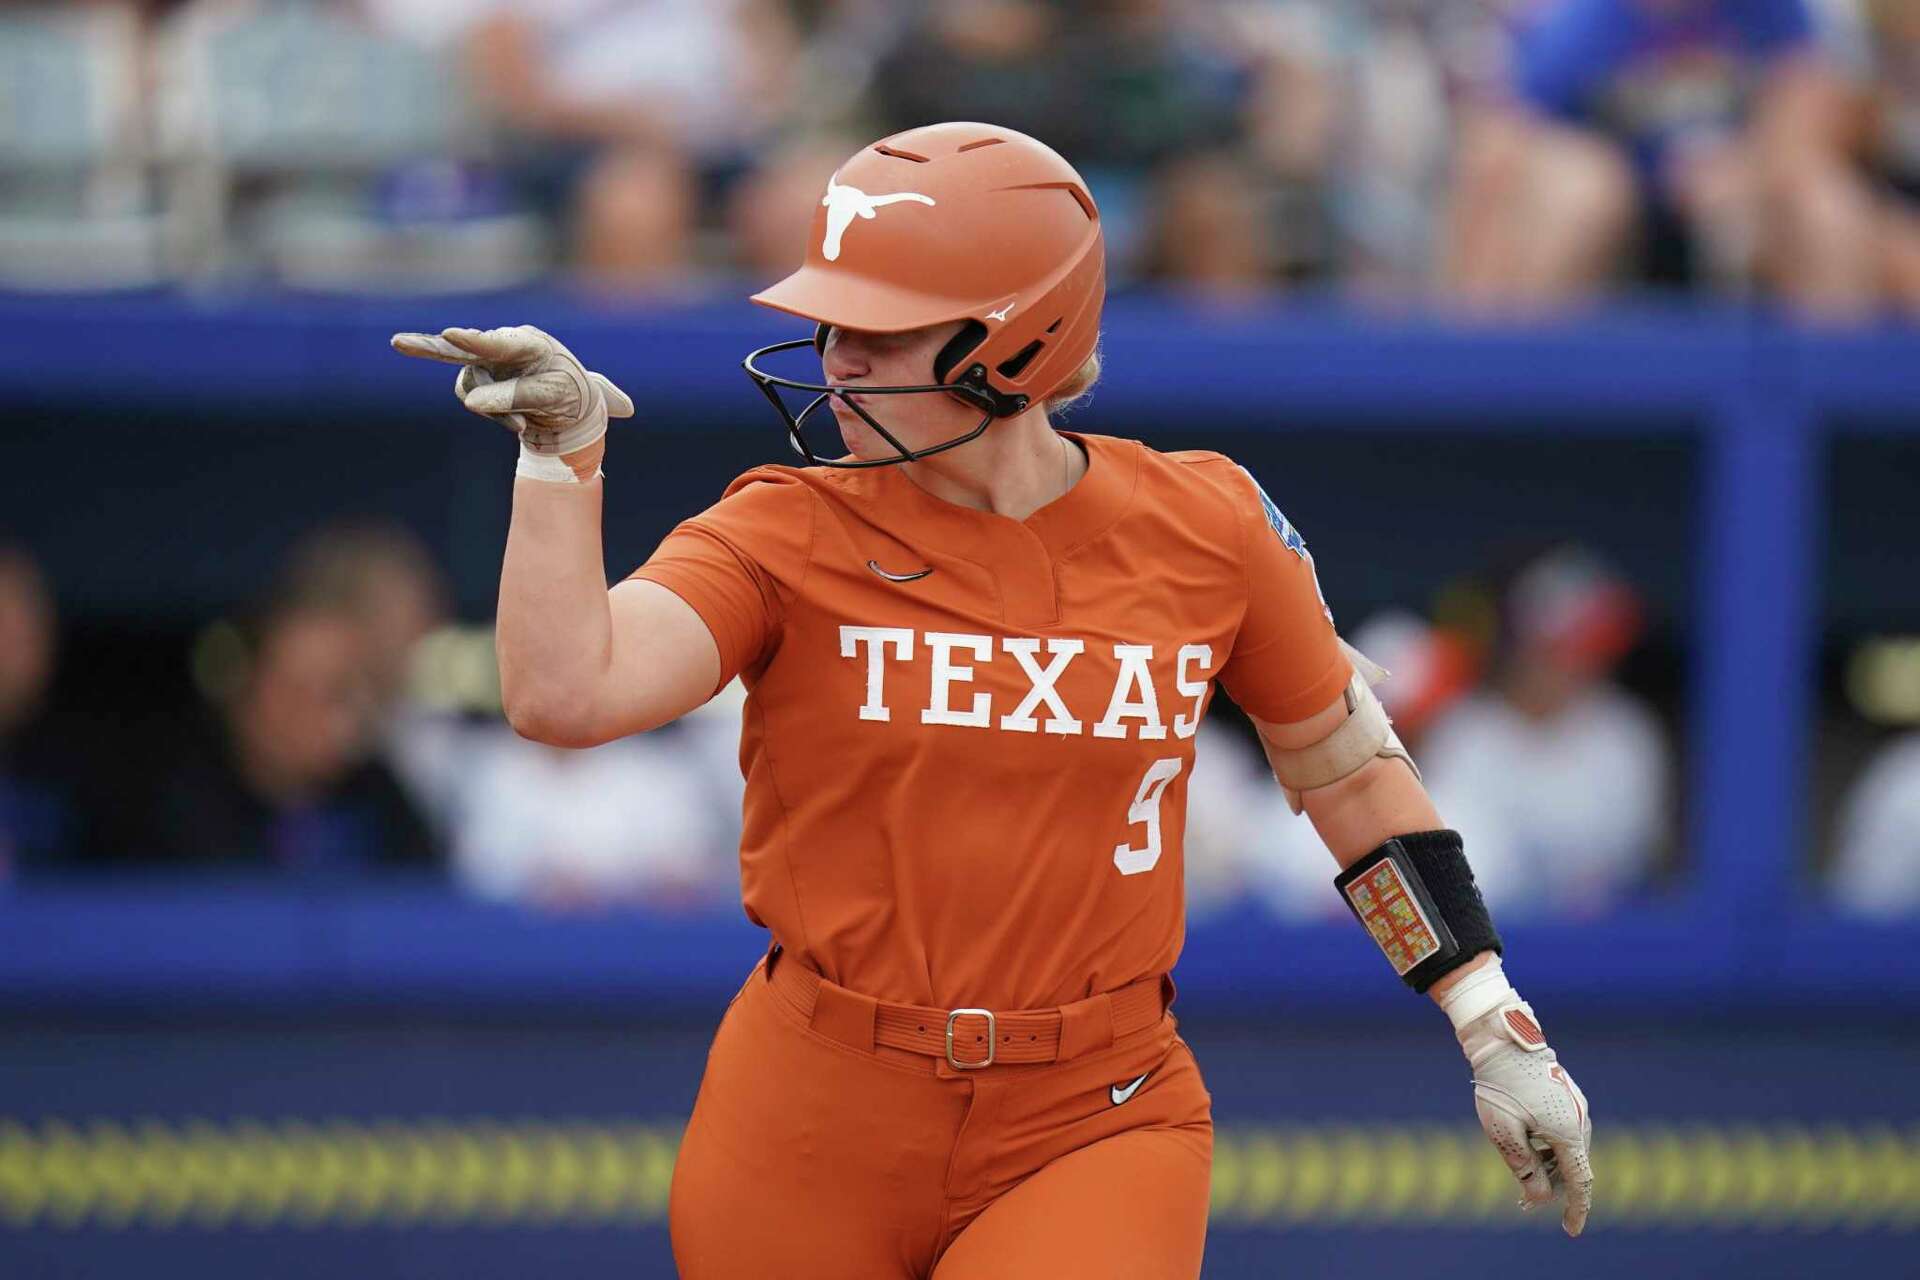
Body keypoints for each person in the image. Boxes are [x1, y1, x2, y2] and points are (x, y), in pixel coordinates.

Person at [393, 122, 1595, 1278]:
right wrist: (560, 464)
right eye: (829, 321)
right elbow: (565, 692)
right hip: (812, 1101)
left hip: (1093, 1110)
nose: (835, 357)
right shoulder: (785, 524)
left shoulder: (1208, 526)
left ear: (1013, 339)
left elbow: (1346, 773)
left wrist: (1491, 1018)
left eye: (880, 329)